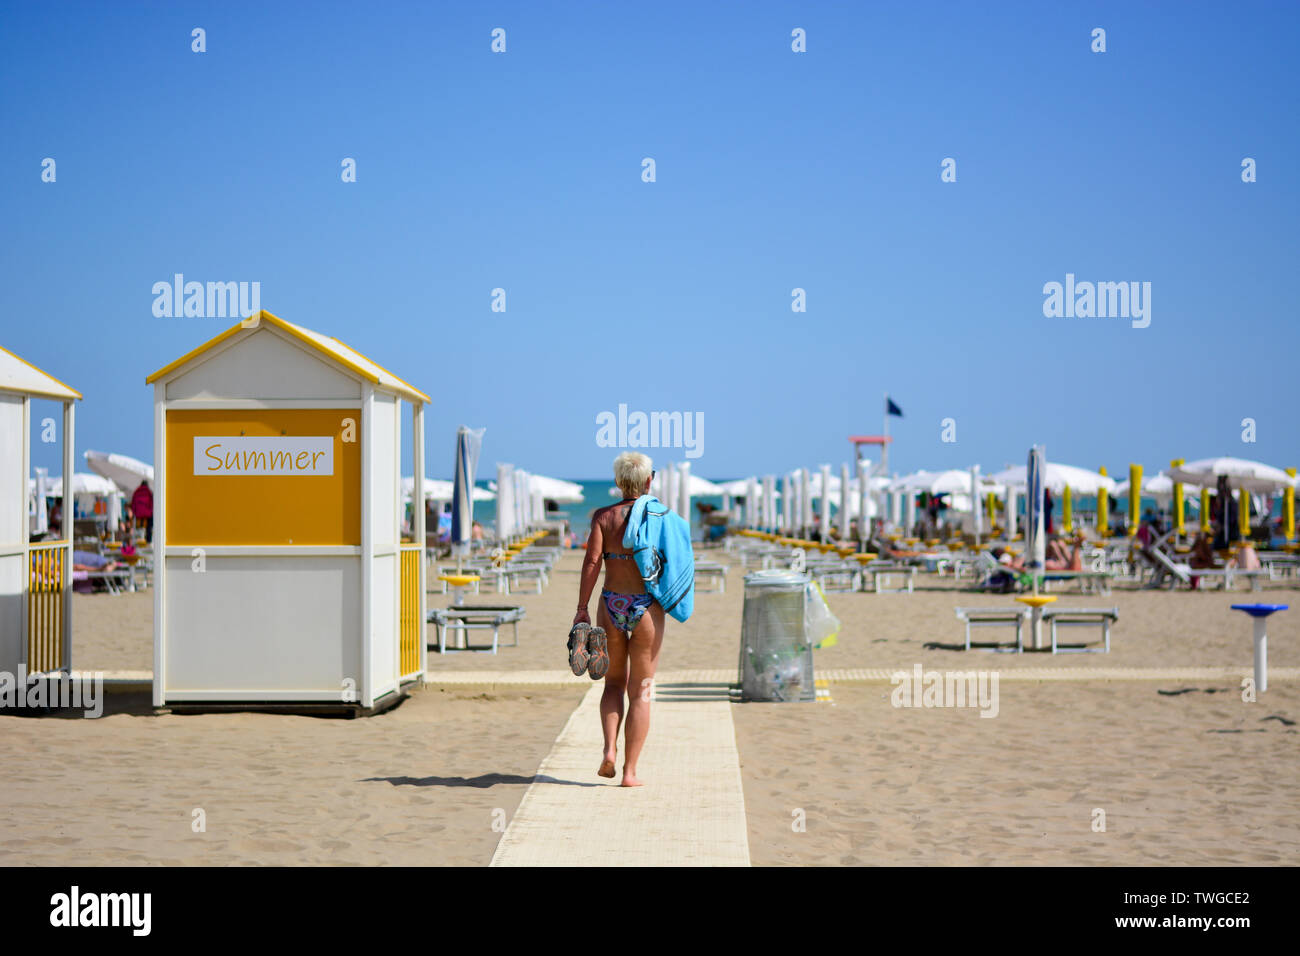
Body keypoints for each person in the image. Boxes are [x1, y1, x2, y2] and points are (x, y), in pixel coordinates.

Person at [573, 452, 664, 788]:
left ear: (617, 482)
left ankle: (609, 749)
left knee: (613, 684)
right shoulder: (660, 517)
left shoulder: (602, 517)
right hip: (646, 608)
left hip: (611, 603)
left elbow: (592, 563)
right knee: (641, 690)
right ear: (648, 481)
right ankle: (629, 772)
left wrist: (582, 607)